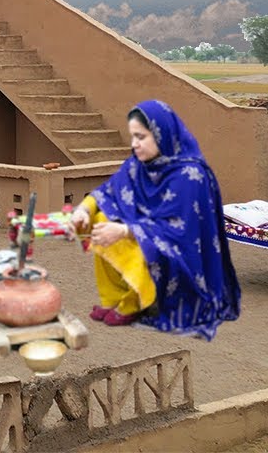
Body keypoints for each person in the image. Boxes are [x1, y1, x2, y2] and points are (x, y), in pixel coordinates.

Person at [69, 100, 240, 340]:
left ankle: (134, 303)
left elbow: (178, 229)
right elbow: (107, 192)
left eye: (141, 137)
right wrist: (83, 210)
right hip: (147, 231)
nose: (134, 144)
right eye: (133, 137)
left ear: (162, 135)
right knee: (101, 216)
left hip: (181, 253)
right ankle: (115, 299)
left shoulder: (190, 175)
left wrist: (125, 230)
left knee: (130, 234)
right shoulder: (138, 166)